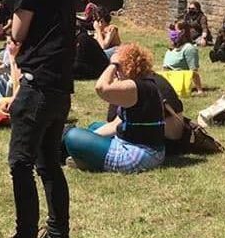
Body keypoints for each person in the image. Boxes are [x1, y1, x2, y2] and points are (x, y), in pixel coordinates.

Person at [0, 0, 79, 238]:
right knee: (49, 165)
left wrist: (13, 37)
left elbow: (20, 27)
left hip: (36, 77)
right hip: (60, 80)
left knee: (21, 163)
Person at [62, 44, 169, 173]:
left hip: (139, 154)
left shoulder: (135, 86)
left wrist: (113, 64)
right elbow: (116, 124)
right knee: (94, 127)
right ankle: (80, 154)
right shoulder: (145, 84)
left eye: (119, 67)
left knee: (73, 136)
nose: (116, 72)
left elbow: (101, 88)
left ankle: (82, 158)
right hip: (149, 149)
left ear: (129, 66)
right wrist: (91, 136)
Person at [162, 23, 205, 91]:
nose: (173, 32)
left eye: (175, 30)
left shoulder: (189, 48)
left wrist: (199, 90)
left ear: (183, 32)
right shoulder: (170, 49)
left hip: (180, 83)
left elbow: (193, 72)